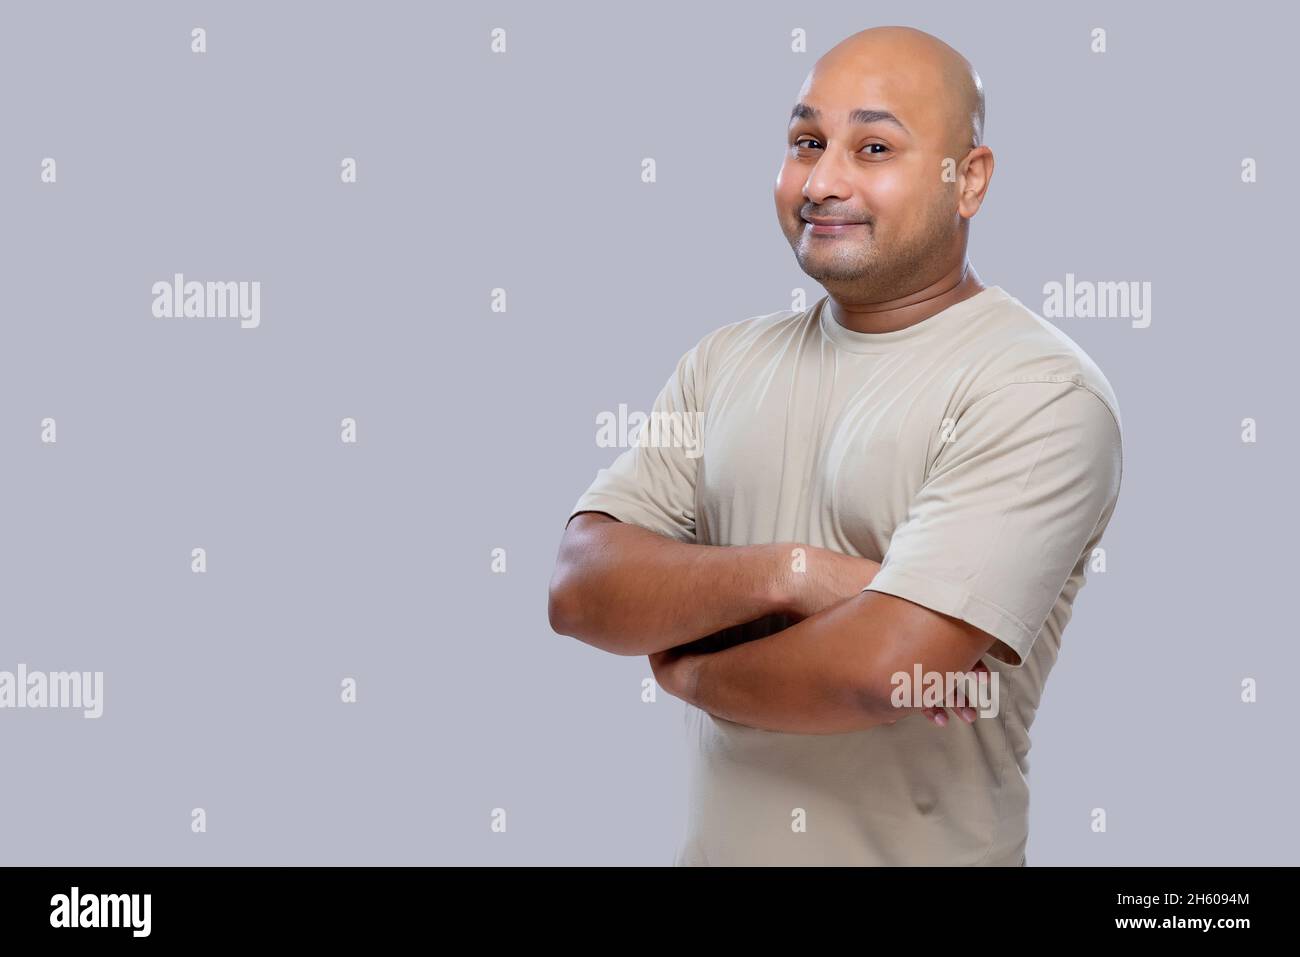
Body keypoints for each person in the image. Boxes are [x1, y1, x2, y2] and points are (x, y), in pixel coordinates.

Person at [548, 25, 1124, 866]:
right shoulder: (724, 361)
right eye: (807, 142)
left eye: (875, 146)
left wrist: (693, 670)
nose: (822, 181)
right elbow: (579, 586)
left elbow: (889, 670)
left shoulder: (1036, 392)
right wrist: (796, 574)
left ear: (969, 180)